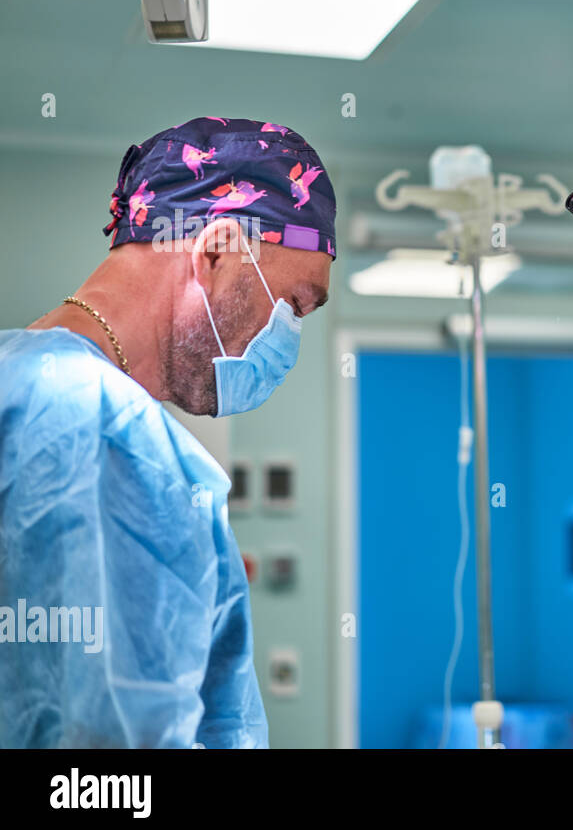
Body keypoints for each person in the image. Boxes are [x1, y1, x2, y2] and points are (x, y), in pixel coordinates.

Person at [0, 117, 336, 747]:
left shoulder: (20, 375)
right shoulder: (100, 429)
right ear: (214, 250)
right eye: (296, 303)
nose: (289, 339)